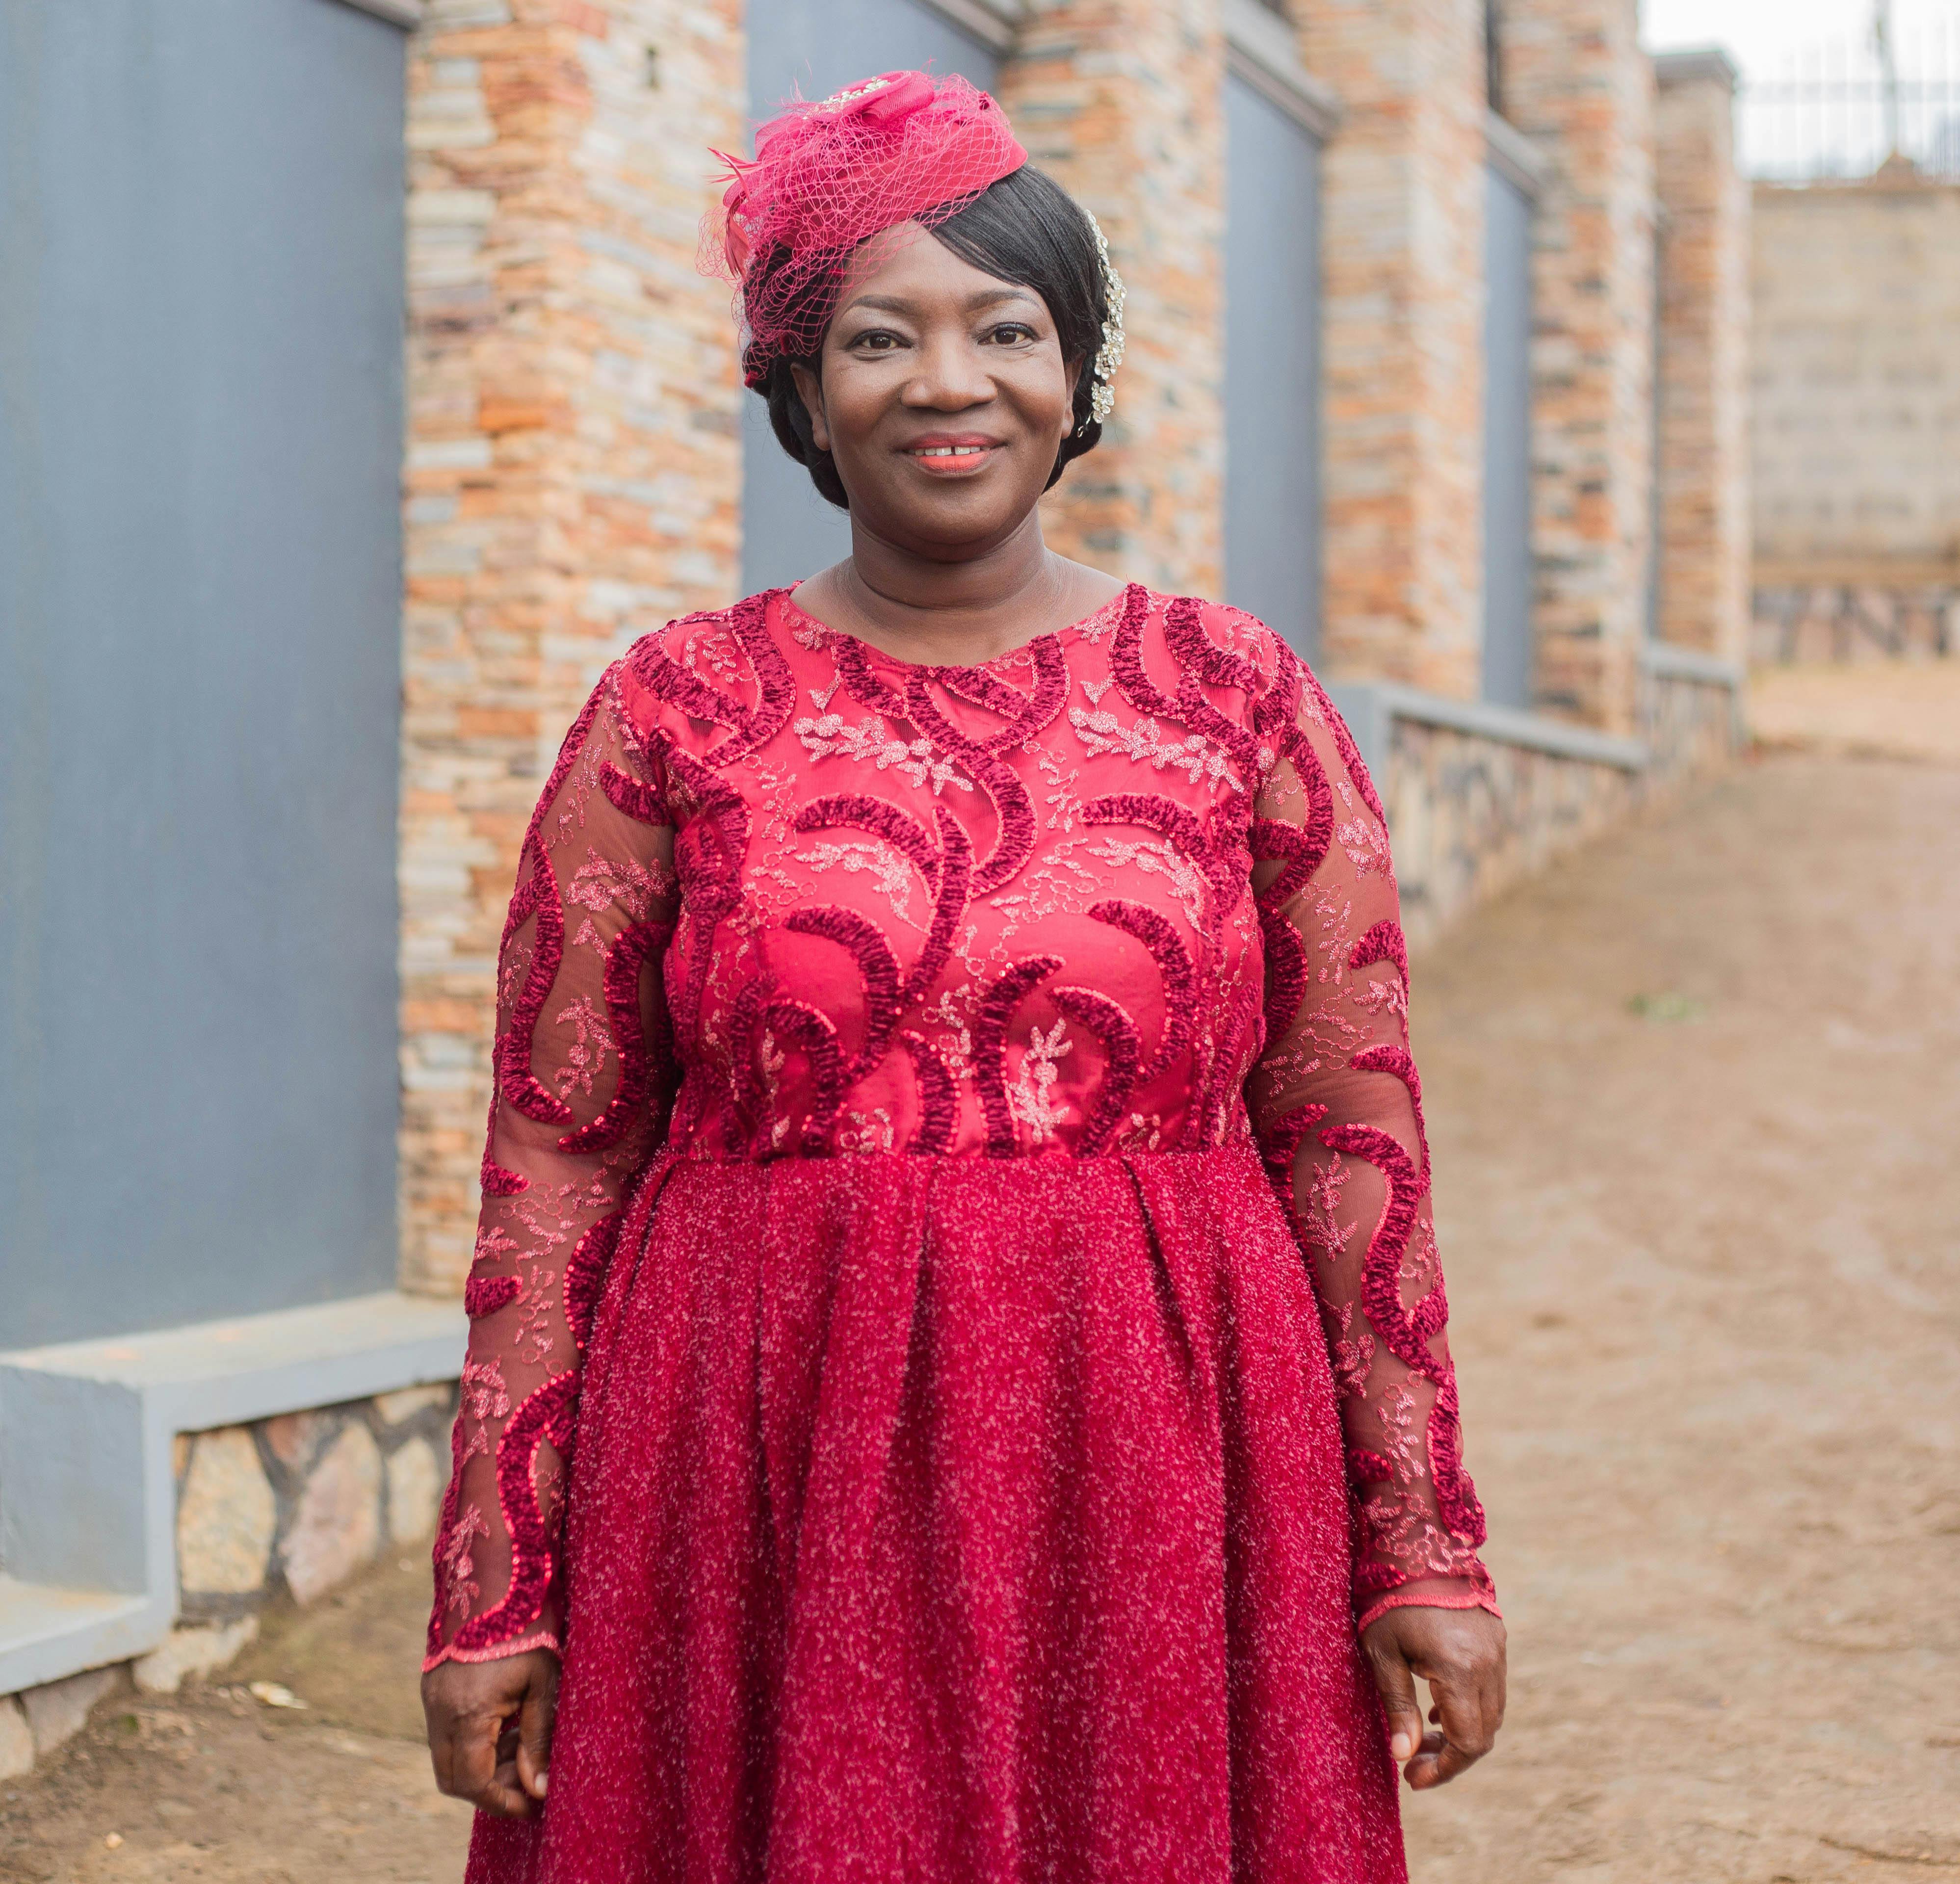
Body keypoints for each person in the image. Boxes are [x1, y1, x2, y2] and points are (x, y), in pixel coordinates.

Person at [420, 69, 1504, 1884]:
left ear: (1074, 376)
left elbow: (1350, 1143)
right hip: (752, 1474)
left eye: (1005, 328)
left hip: (1156, 1462)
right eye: (876, 338)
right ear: (800, 394)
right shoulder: (671, 710)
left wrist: (1420, 1547)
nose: (947, 382)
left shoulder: (1234, 700)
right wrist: (492, 1584)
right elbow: (557, 1163)